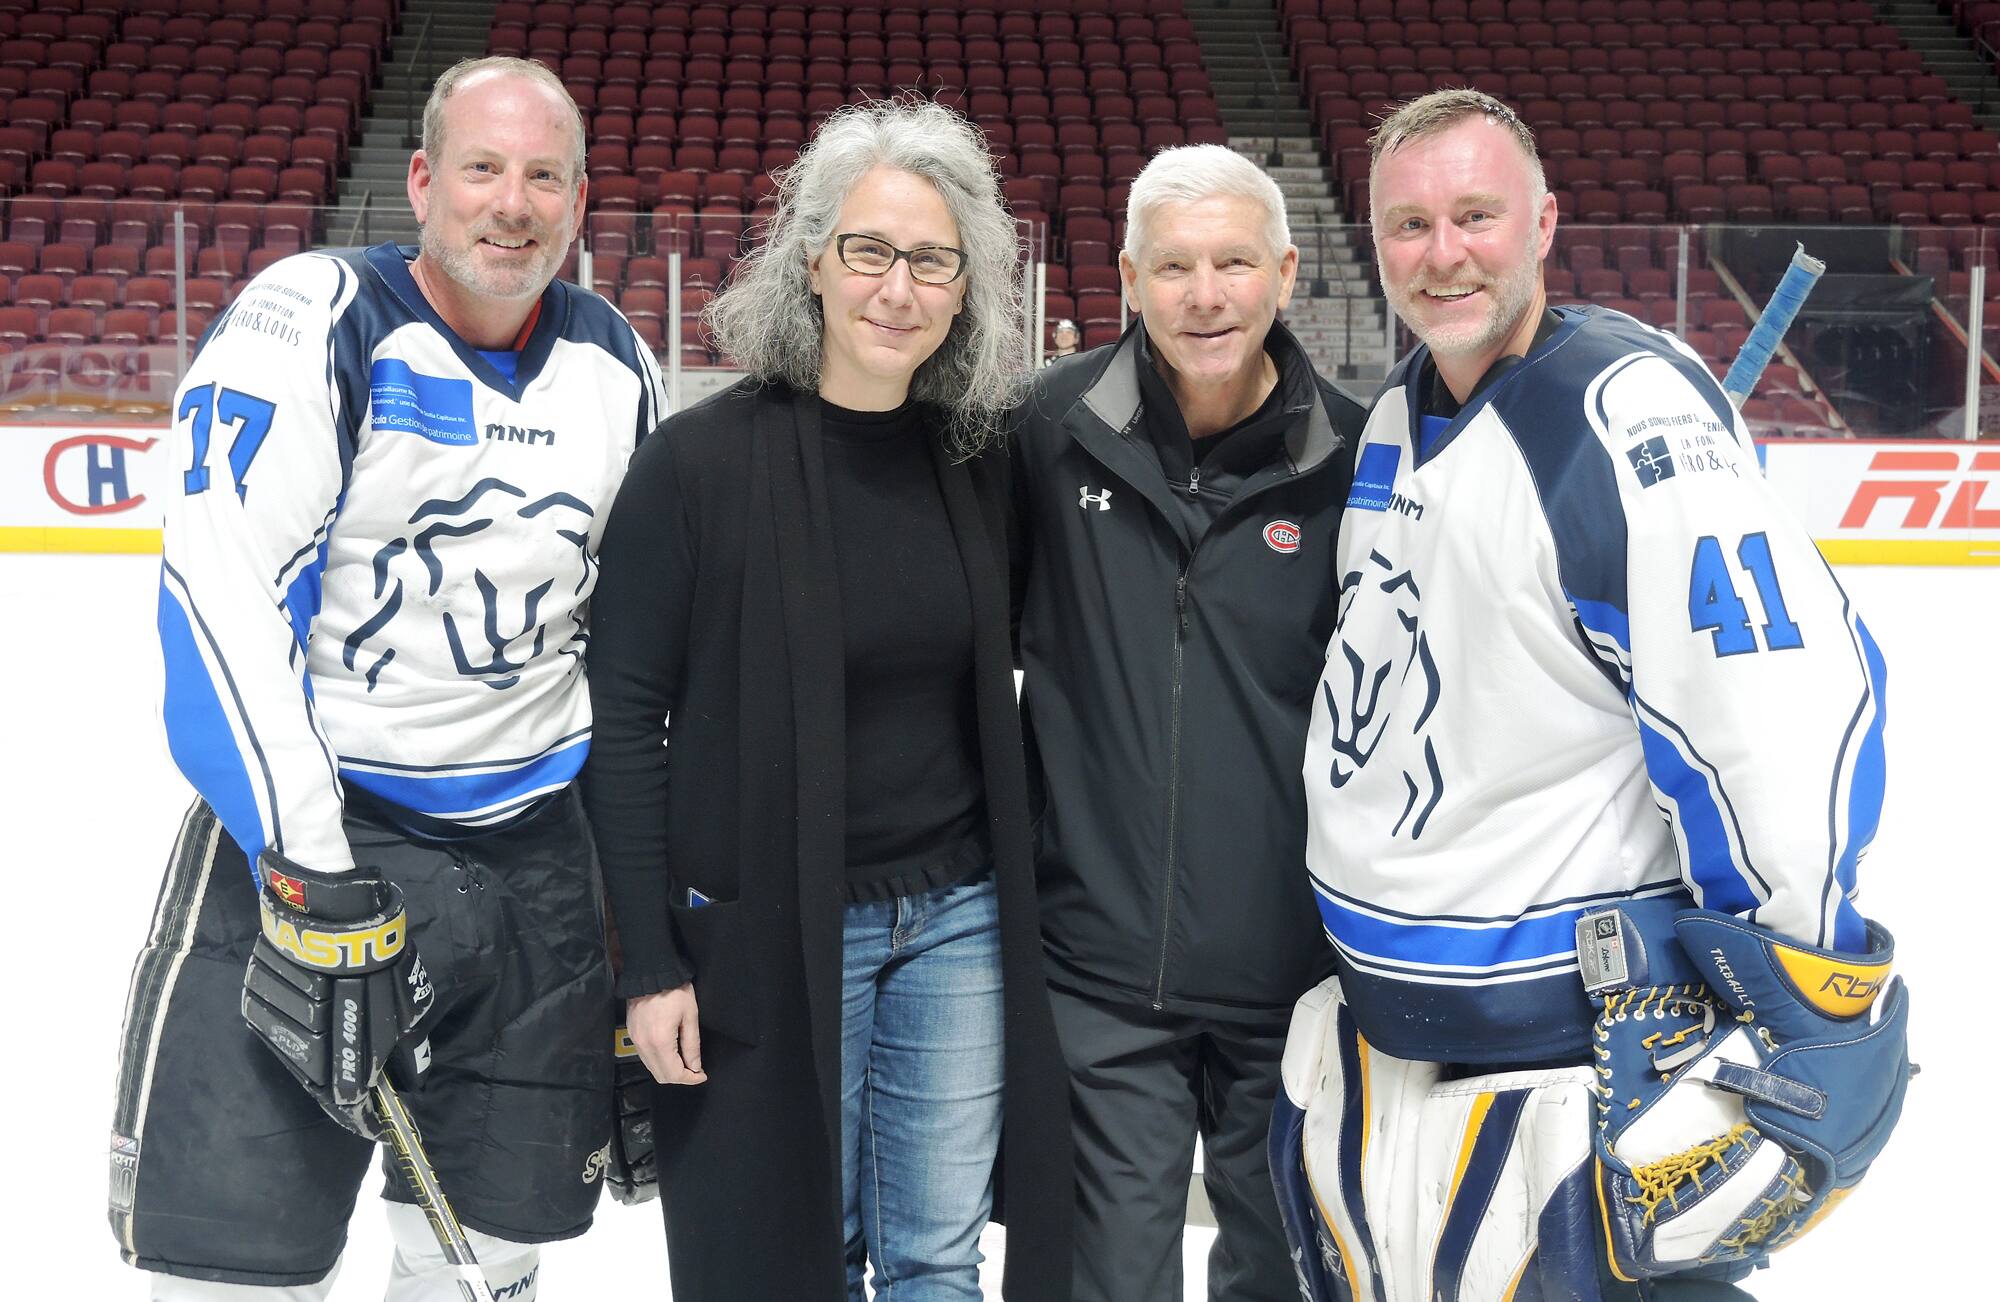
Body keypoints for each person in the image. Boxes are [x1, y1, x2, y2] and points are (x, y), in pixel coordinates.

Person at [1272, 89, 1910, 1301]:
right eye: (1407, 224)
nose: (1441, 252)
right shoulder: (1402, 409)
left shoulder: (1623, 412)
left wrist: (1800, 975)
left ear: (1545, 222)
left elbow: (1774, 714)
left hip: (1567, 1076)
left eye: (1474, 215)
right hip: (1389, 1053)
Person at [108, 57, 666, 1300]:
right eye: (480, 168)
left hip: (535, 868)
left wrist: (638, 904)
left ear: (578, 202)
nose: (509, 204)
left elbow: (631, 639)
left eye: (542, 177)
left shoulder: (615, 361)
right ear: (420, 181)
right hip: (322, 844)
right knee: (234, 1255)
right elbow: (220, 600)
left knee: (490, 1247)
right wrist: (311, 873)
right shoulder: (315, 314)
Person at [582, 99, 1073, 1301]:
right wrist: (646, 964)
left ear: (965, 288)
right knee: (787, 1258)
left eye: (929, 260)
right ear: (810, 261)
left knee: (932, 1258)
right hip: (769, 934)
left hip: (955, 921)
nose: (895, 288)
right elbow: (623, 724)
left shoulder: (980, 458)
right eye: (867, 251)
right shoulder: (696, 466)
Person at [1009, 145, 1367, 1301]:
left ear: (1284, 272)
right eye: (1172, 266)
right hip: (1101, 979)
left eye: (1230, 263)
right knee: (1108, 1279)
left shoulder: (1361, 460)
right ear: (1125, 276)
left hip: (1293, 978)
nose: (1202, 294)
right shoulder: (1047, 430)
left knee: (1283, 1274)